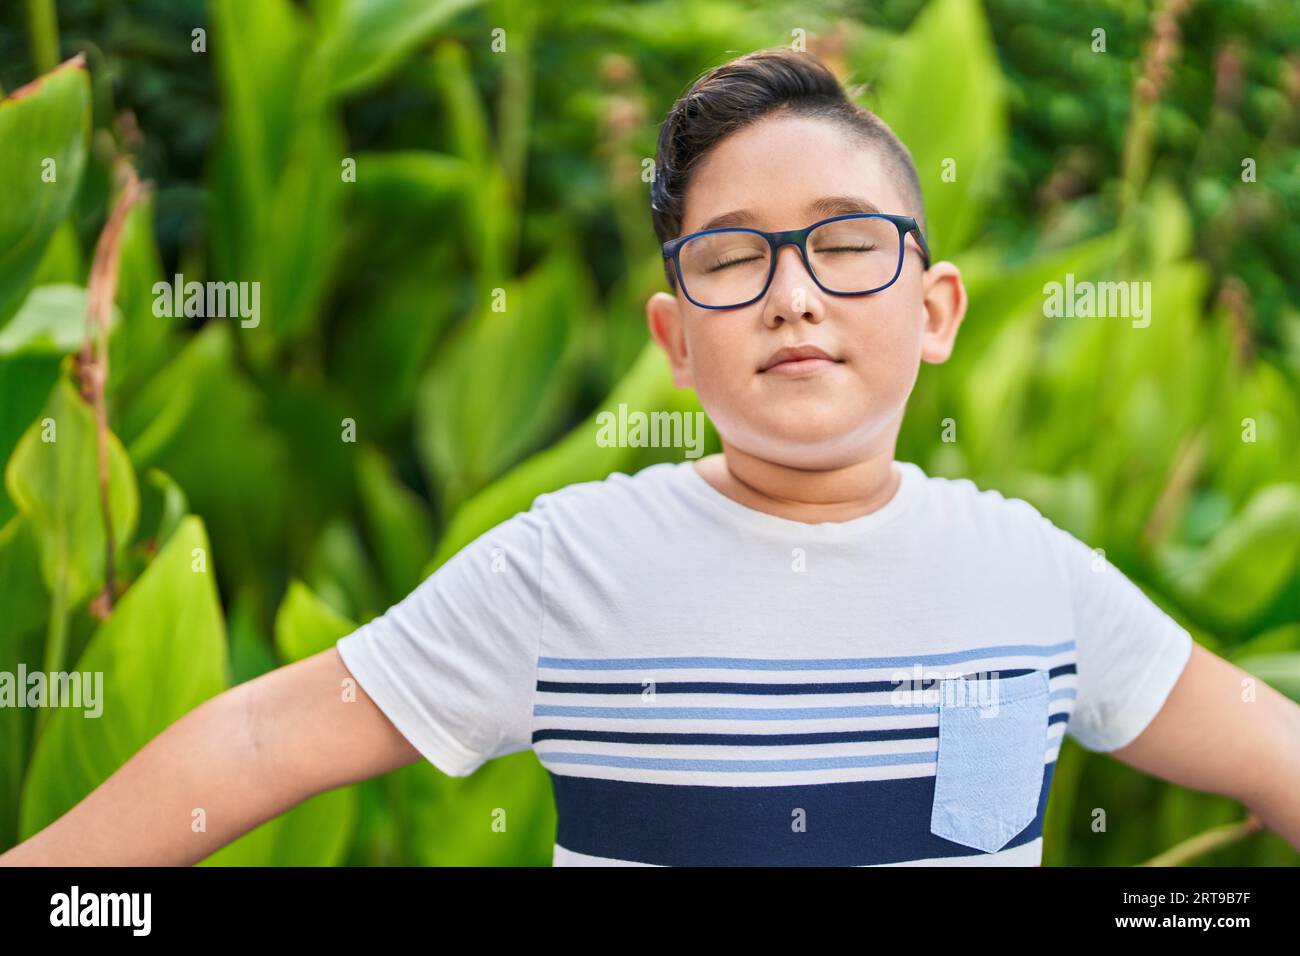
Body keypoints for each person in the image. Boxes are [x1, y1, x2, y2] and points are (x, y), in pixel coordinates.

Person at [4, 48, 1298, 867]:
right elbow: (259, 743)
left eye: (845, 245)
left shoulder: (1032, 578)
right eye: (734, 258)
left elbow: (1265, 752)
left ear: (938, 308)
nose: (793, 296)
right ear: (676, 344)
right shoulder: (571, 566)